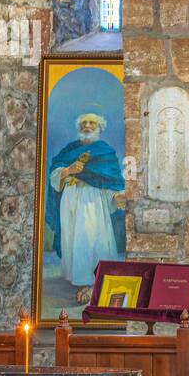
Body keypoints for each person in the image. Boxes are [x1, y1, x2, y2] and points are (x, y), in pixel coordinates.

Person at [47, 113, 126, 304]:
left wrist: (116, 195)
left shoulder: (105, 151)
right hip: (70, 198)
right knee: (72, 237)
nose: (88, 126)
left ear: (100, 127)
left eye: (92, 123)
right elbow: (54, 173)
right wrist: (68, 170)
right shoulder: (70, 150)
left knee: (89, 236)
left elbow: (111, 181)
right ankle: (78, 277)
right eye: (84, 123)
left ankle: (90, 281)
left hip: (93, 201)